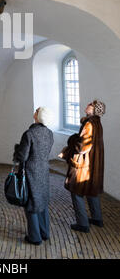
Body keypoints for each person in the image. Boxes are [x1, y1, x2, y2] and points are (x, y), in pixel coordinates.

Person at [58, 100, 105, 233]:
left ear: (94, 109)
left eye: (90, 104)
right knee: (92, 191)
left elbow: (82, 147)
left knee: (76, 192)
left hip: (83, 165)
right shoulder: (97, 123)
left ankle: (83, 224)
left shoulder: (89, 124)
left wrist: (72, 140)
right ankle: (97, 218)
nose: (87, 105)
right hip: (92, 164)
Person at [13, 107, 54, 245]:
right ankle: (45, 232)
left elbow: (22, 156)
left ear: (37, 116)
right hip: (43, 170)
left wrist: (17, 150)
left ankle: (35, 237)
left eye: (36, 111)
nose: (34, 112)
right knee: (42, 201)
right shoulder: (49, 133)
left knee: (31, 203)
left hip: (30, 171)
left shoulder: (29, 134)